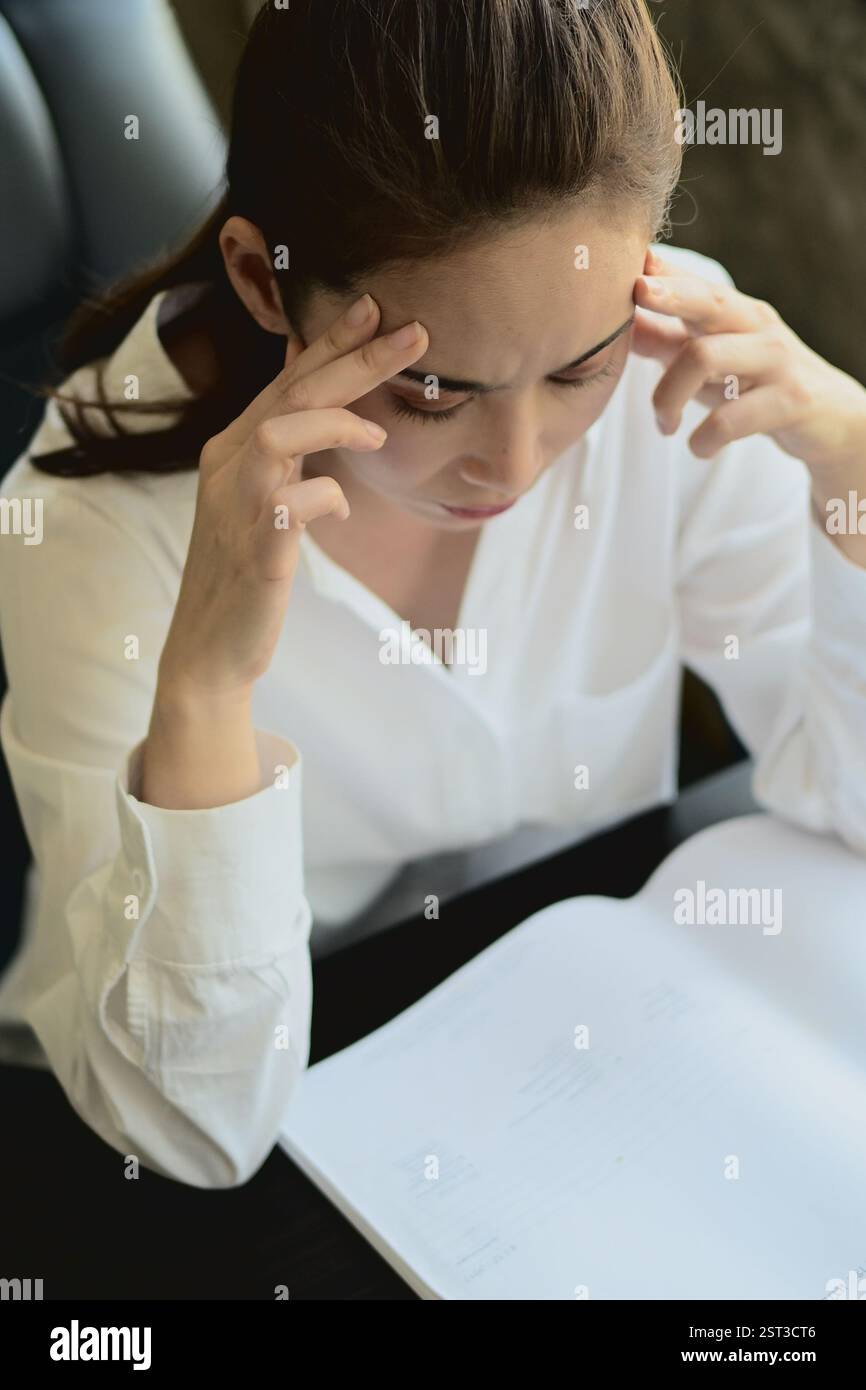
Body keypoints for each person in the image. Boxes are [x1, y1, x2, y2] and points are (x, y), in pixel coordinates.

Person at [1, 0, 865, 1189]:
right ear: (263, 279)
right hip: (235, 1109)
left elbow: (850, 802)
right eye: (432, 390)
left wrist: (853, 481)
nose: (513, 465)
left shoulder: (680, 364)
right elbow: (188, 1128)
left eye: (577, 370)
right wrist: (203, 689)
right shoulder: (88, 524)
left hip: (584, 1037)